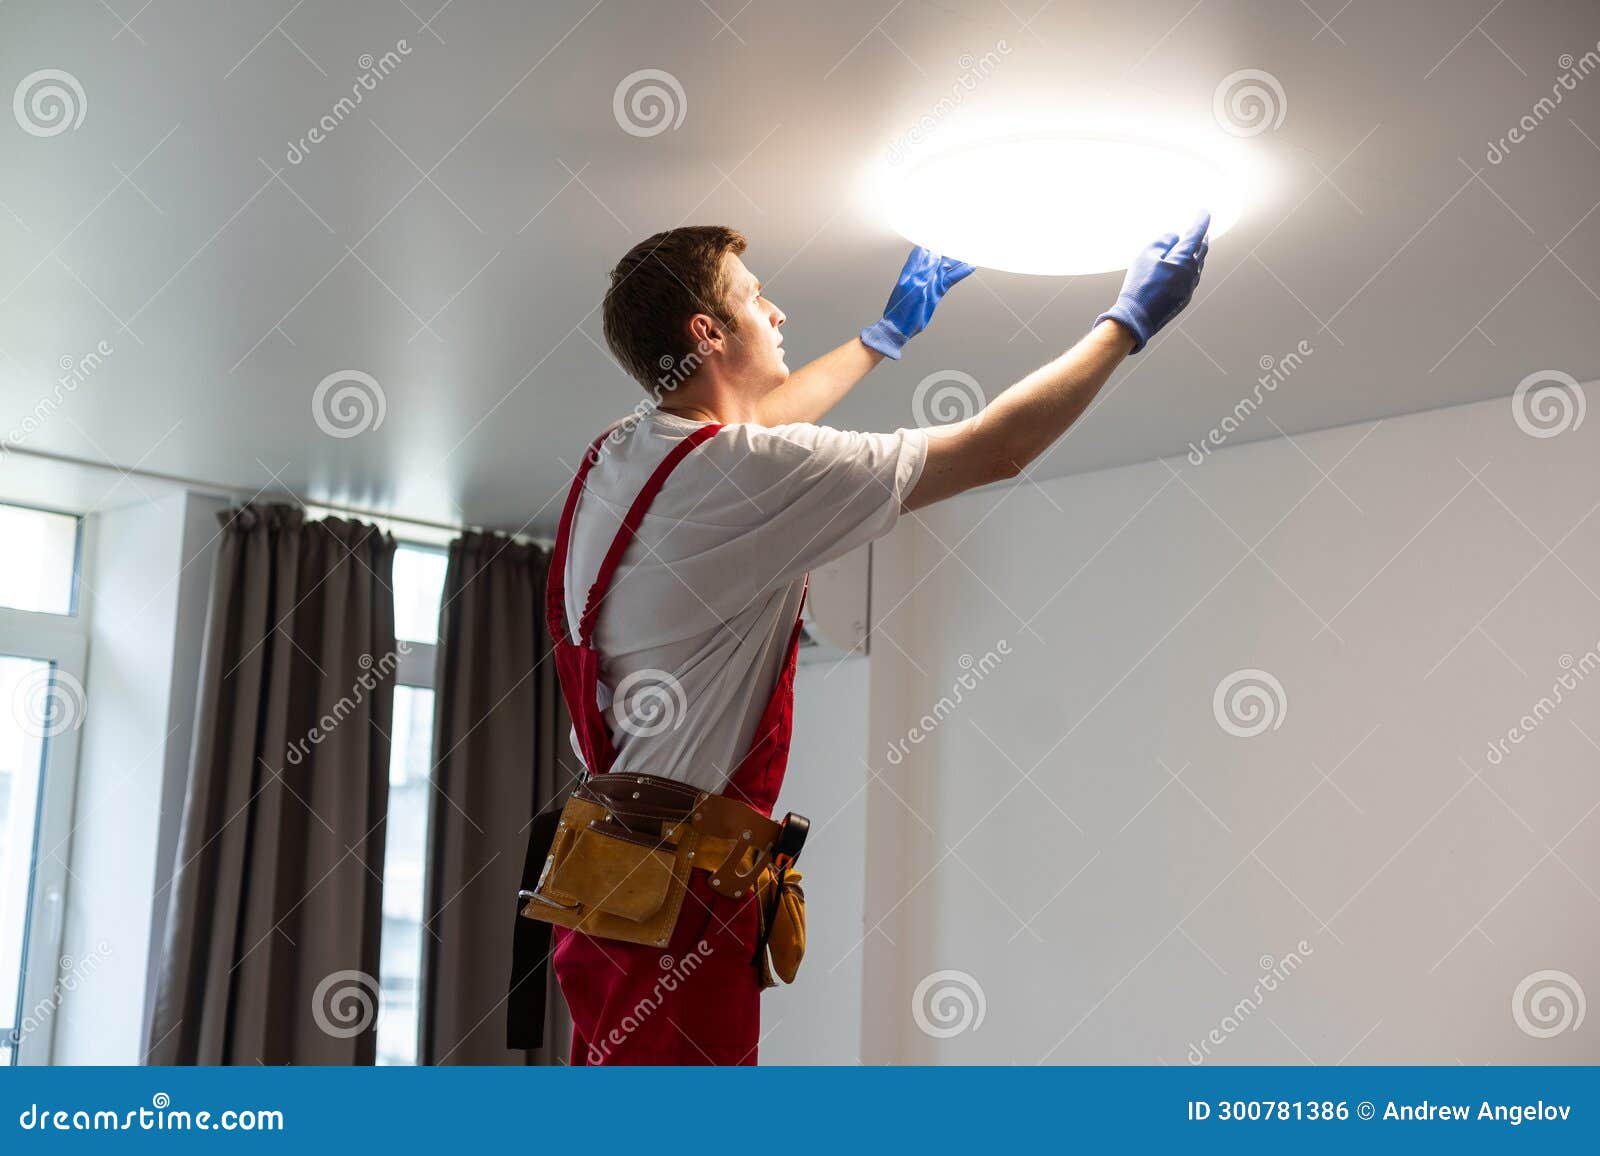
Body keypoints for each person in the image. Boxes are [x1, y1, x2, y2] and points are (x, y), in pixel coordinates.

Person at [538, 215, 1210, 1065]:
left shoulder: (624, 454)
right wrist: (1127, 323)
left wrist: (884, 337)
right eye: (755, 297)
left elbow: (749, 436)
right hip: (681, 898)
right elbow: (996, 448)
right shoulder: (741, 474)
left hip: (613, 883)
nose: (776, 312)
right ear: (708, 332)